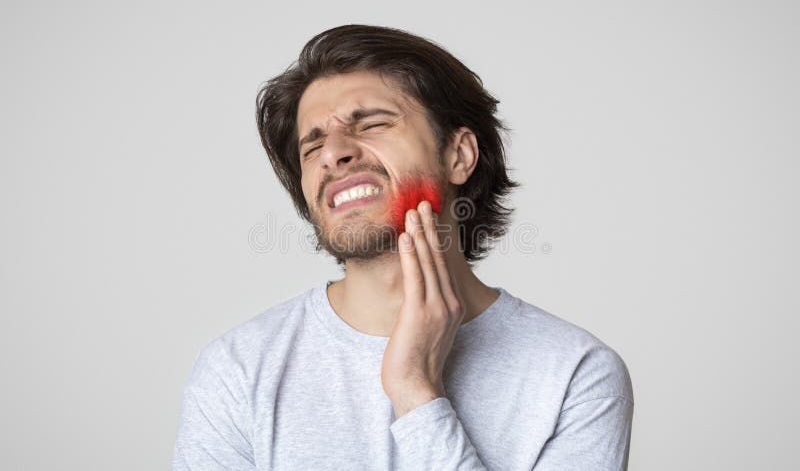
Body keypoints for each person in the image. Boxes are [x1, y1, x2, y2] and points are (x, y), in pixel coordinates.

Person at [172, 24, 634, 470]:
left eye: (371, 123)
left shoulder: (575, 373)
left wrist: (415, 391)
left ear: (459, 156)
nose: (333, 153)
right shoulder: (236, 369)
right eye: (312, 148)